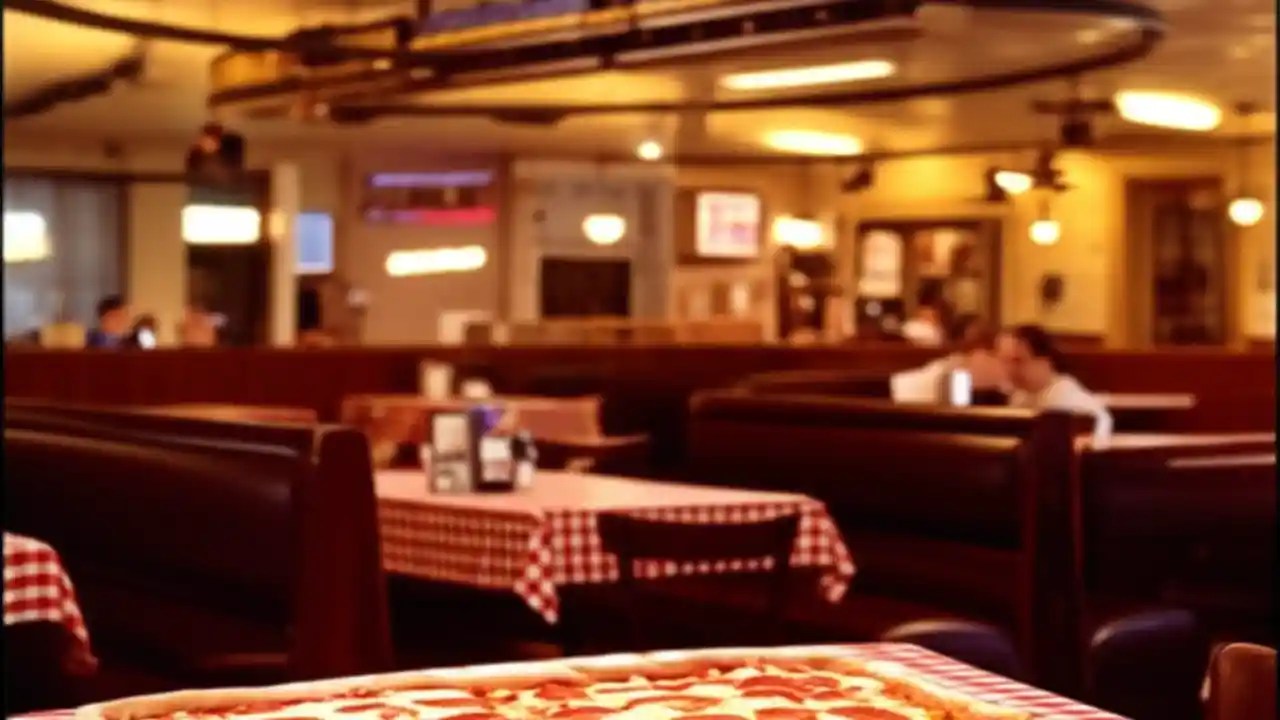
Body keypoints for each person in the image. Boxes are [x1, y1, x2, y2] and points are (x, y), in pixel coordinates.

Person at [997, 324, 1113, 446]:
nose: (1010, 370)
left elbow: (1101, 420)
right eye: (1005, 362)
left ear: (1045, 361)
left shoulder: (1063, 395)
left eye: (1018, 361)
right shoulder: (1019, 396)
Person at [890, 314, 1008, 404]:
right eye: (976, 344)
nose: (981, 354)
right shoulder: (949, 373)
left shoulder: (1007, 372)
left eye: (988, 344)